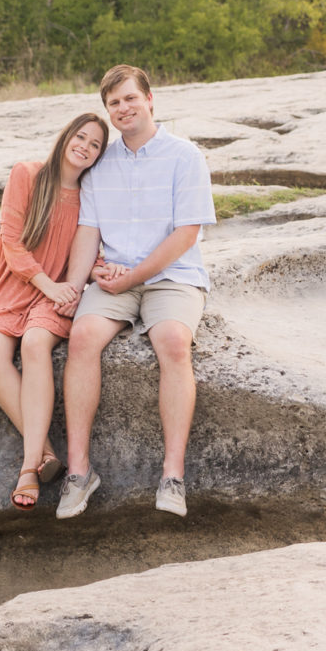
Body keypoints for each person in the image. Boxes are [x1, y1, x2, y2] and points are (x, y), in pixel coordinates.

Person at [55, 64, 215, 520]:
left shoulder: (184, 156)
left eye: (129, 98)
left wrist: (134, 276)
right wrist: (76, 282)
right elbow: (88, 230)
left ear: (150, 99)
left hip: (173, 275)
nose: (123, 108)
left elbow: (187, 233)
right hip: (114, 278)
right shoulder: (99, 164)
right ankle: (79, 472)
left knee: (173, 342)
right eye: (113, 103)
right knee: (82, 337)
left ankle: (172, 475)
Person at [0, 112, 108, 510]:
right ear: (66, 136)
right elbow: (12, 244)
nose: (85, 147)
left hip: (57, 294)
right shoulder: (27, 174)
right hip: (16, 285)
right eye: (80, 137)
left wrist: (93, 274)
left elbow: (89, 251)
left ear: (100, 155)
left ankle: (29, 468)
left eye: (95, 145)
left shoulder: (90, 196)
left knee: (34, 344)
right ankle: (46, 451)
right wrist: (46, 283)